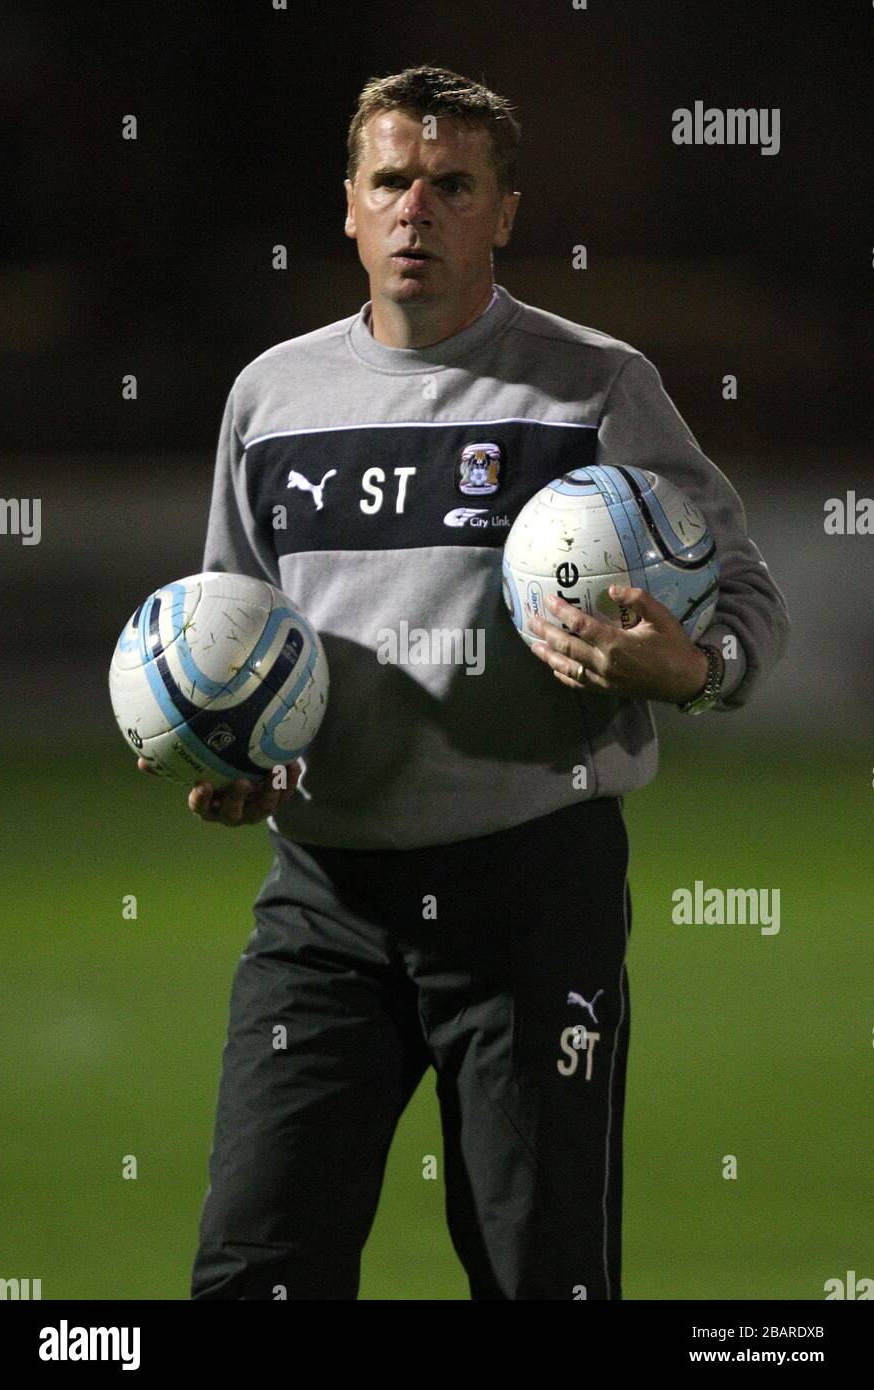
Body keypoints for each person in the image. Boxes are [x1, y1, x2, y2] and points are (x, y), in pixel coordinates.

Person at [140, 65, 789, 1299]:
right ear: (347, 203)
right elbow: (241, 633)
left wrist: (697, 668)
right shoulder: (271, 400)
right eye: (391, 180)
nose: (415, 209)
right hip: (324, 909)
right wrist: (241, 763)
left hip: (531, 902)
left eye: (452, 185)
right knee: (251, 1268)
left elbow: (750, 597)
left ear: (505, 211)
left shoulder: (598, 385)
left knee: (540, 1277)